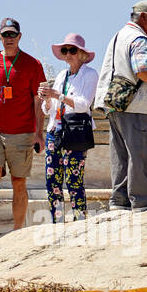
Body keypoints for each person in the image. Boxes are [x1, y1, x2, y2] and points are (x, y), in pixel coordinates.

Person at [94, 0, 147, 211]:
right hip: (134, 104)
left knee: (120, 154)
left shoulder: (119, 35)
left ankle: (119, 200)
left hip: (115, 102)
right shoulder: (139, 39)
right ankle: (141, 198)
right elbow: (141, 70)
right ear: (144, 16)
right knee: (139, 152)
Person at [0, 18, 45, 242]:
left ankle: (17, 231)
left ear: (20, 37)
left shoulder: (33, 64)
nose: (9, 39)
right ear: (0, 37)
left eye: (12, 35)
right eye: (5, 35)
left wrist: (39, 132)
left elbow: (37, 100)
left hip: (23, 131)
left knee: (18, 181)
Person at [39, 33, 99, 223]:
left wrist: (57, 95)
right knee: (52, 180)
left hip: (75, 132)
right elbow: (47, 110)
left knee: (74, 179)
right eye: (65, 50)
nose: (68, 54)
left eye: (72, 50)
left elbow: (84, 104)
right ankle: (56, 220)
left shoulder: (90, 74)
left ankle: (79, 220)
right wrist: (47, 99)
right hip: (54, 130)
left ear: (81, 53)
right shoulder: (61, 75)